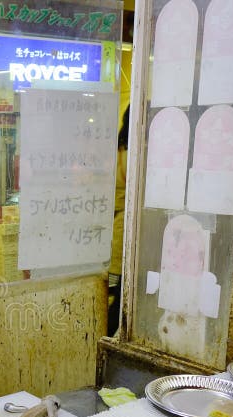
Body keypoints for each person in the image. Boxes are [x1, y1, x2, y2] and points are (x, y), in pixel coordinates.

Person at [108, 106, 129, 337]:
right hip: (124, 225)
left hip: (111, 222)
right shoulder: (133, 154)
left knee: (115, 286)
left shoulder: (116, 150)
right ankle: (109, 331)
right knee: (121, 285)